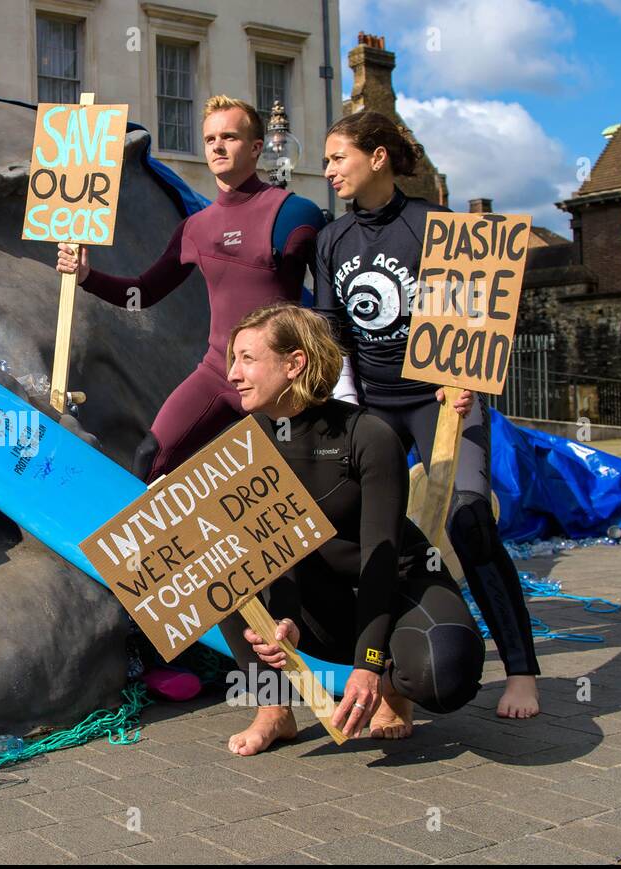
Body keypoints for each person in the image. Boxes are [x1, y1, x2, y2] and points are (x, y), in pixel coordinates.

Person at [315, 110, 541, 719]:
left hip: (442, 398)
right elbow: (332, 338)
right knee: (375, 537)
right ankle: (389, 682)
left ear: (378, 157)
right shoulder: (331, 240)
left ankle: (521, 669)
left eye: (338, 157)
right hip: (372, 407)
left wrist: (460, 379)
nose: (329, 169)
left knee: (469, 518)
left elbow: (475, 322)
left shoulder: (433, 226)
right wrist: (348, 417)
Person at [219, 303, 485, 754]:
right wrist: (284, 618)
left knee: (445, 673)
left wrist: (368, 664)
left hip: (395, 587)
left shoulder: (367, 435)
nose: (232, 373)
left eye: (247, 358)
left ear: (294, 363)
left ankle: (392, 689)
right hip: (322, 598)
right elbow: (268, 549)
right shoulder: (247, 441)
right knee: (208, 562)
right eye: (232, 359)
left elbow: (380, 557)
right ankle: (273, 707)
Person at [55, 95, 323, 482]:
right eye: (210, 137)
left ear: (256, 147)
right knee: (151, 457)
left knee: (293, 485)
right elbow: (143, 294)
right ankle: (147, 545)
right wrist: (87, 277)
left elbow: (331, 303)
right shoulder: (196, 228)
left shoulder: (297, 213)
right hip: (219, 370)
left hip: (281, 376)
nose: (217, 145)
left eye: (229, 136)